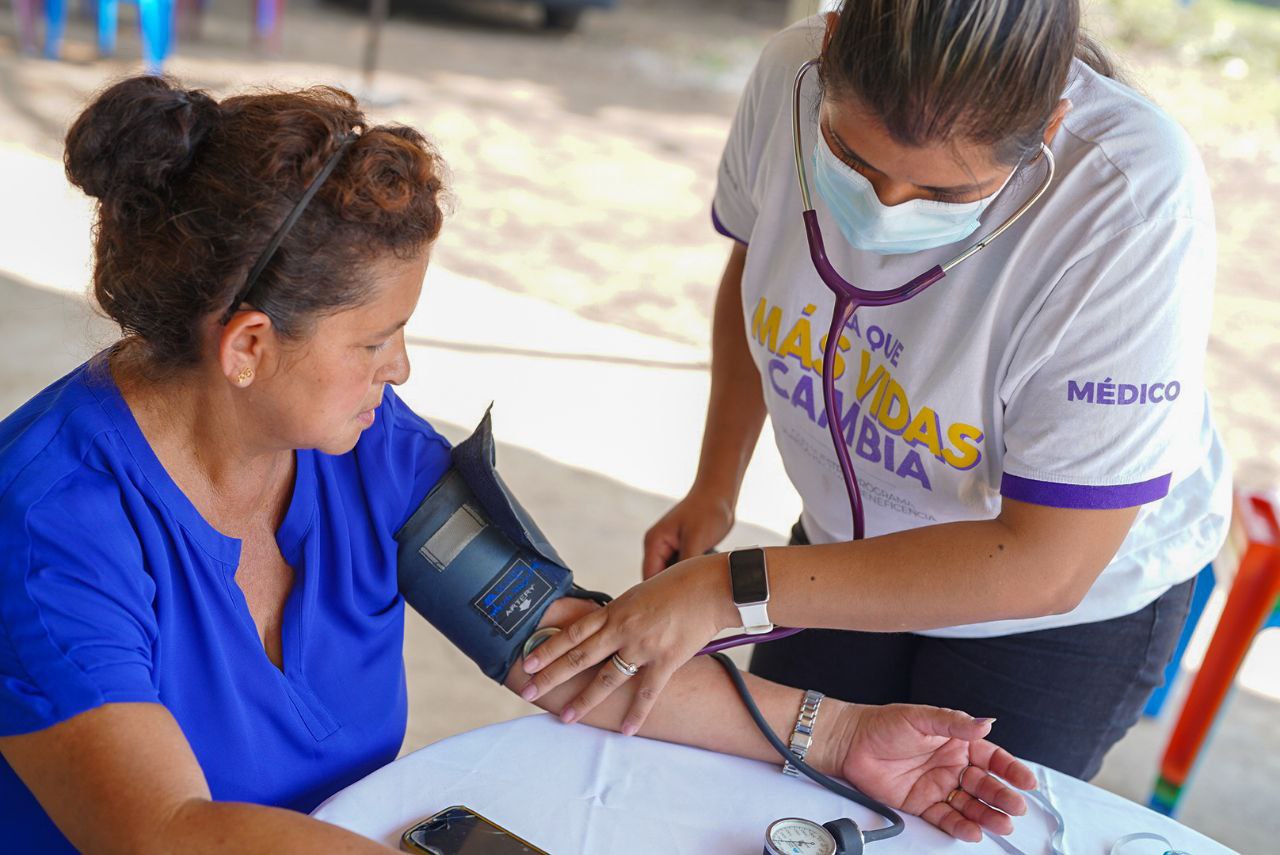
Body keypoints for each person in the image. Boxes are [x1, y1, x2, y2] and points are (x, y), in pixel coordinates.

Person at [0, 76, 1037, 853]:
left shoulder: (363, 453)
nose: (399, 368)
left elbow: (558, 646)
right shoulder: (47, 528)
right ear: (248, 346)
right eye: (373, 341)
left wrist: (840, 734)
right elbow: (168, 833)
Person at [520, 0, 1231, 781]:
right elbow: (759, 268)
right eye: (851, 161)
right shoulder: (787, 76)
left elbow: (1046, 563)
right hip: (843, 550)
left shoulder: (1129, 197)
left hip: (1053, 612)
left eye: (947, 195)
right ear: (827, 48)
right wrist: (714, 487)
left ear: (1049, 131)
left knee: (947, 823)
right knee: (777, 795)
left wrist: (729, 589)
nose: (885, 210)